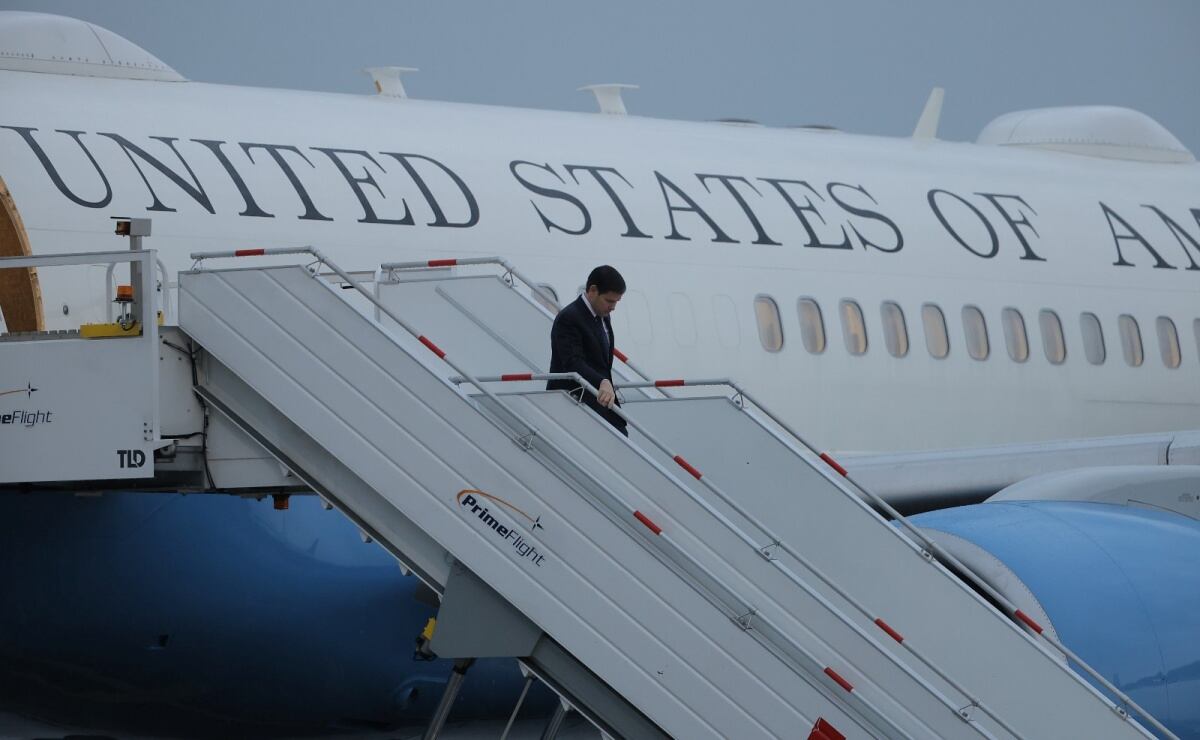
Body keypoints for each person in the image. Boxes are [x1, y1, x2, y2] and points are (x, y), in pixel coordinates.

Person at [548, 265, 628, 435]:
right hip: (575, 401)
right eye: (609, 301)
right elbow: (572, 362)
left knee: (621, 437)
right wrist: (602, 382)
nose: (613, 307)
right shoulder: (569, 318)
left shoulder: (603, 316)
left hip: (600, 402)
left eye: (616, 302)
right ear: (593, 290)